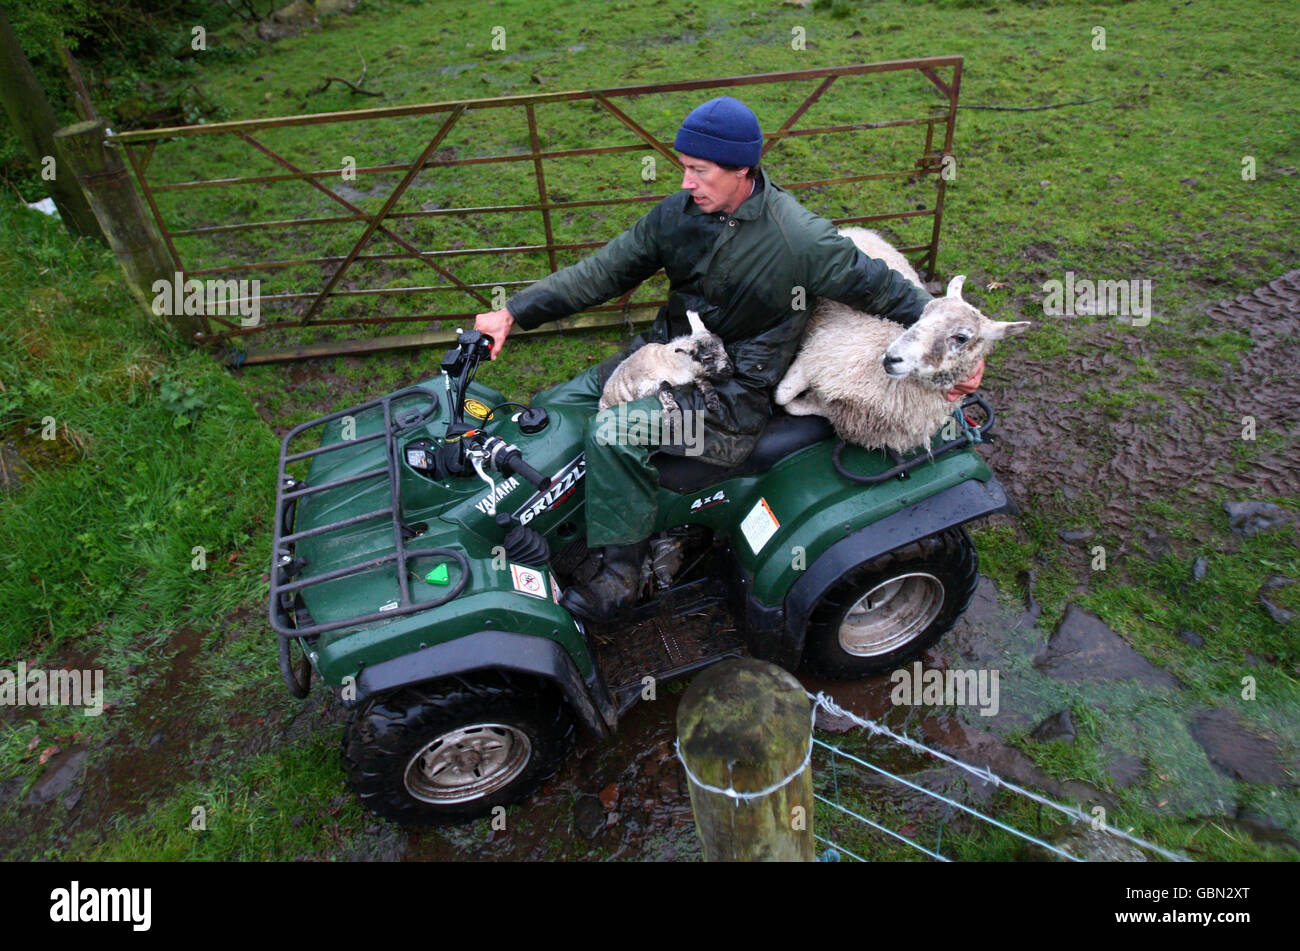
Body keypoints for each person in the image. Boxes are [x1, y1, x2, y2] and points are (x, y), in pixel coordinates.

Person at [474, 96, 982, 622]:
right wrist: (514, 312)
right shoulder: (678, 216)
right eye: (684, 168)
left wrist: (961, 360)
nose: (686, 183)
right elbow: (606, 270)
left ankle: (621, 574)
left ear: (743, 170)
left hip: (727, 401)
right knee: (558, 406)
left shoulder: (801, 240)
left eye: (699, 171)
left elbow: (893, 295)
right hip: (664, 360)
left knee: (614, 435)